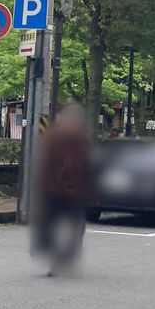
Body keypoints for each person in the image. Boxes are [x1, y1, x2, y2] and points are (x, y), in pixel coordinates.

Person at [32, 104, 94, 277]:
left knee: (76, 226)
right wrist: (41, 191)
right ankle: (56, 259)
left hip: (77, 192)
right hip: (54, 190)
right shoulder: (54, 138)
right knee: (47, 226)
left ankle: (70, 258)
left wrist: (90, 191)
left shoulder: (84, 140)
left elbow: (89, 167)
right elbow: (45, 165)